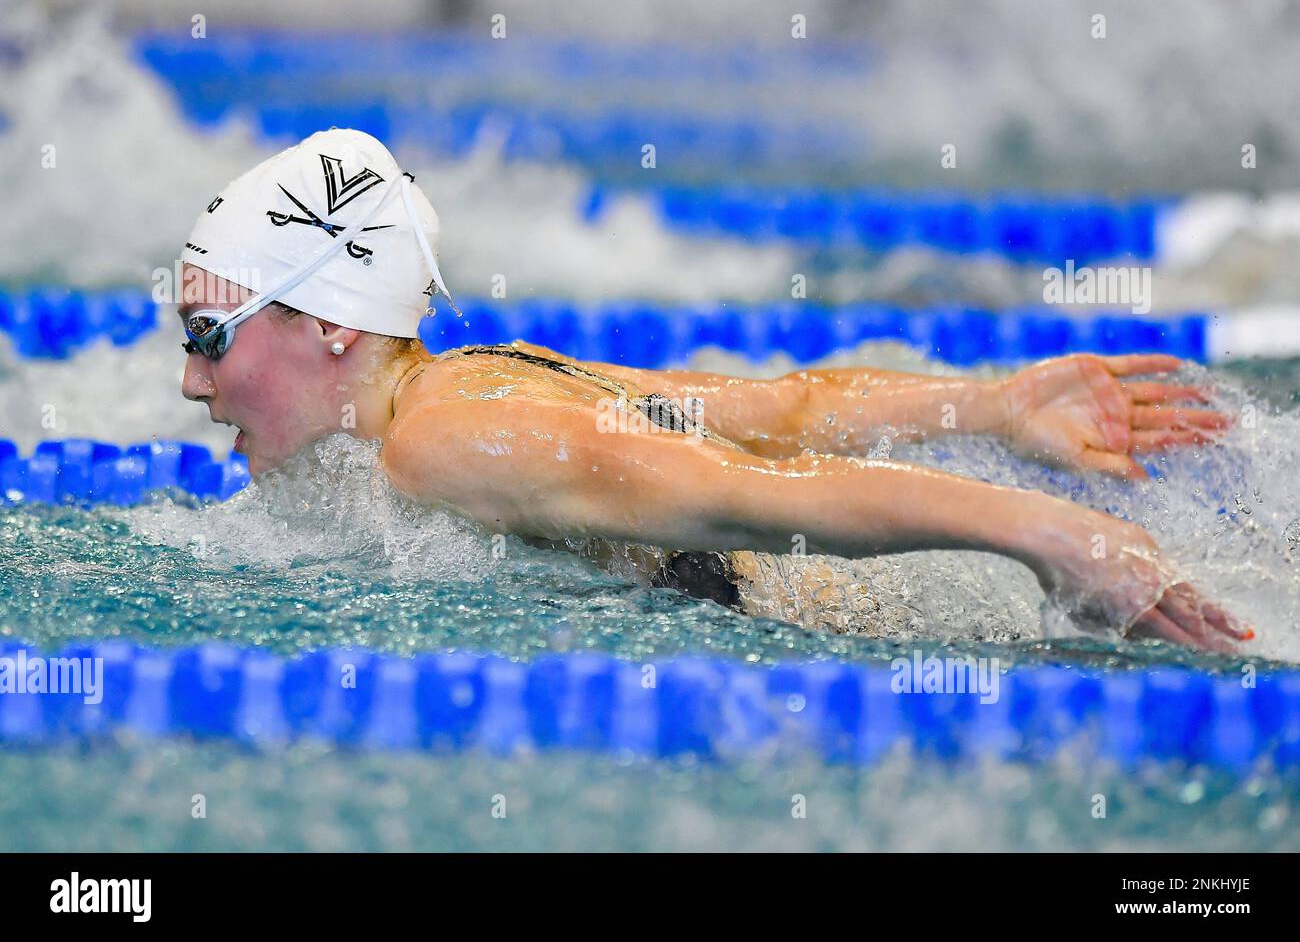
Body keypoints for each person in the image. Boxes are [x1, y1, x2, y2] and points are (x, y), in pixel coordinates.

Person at [177, 129, 1250, 652]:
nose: (191, 380)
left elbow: (766, 494)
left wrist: (1055, 537)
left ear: (325, 324)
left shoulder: (447, 443)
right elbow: (773, 407)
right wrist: (991, 404)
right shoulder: (467, 384)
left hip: (877, 623)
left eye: (208, 336)